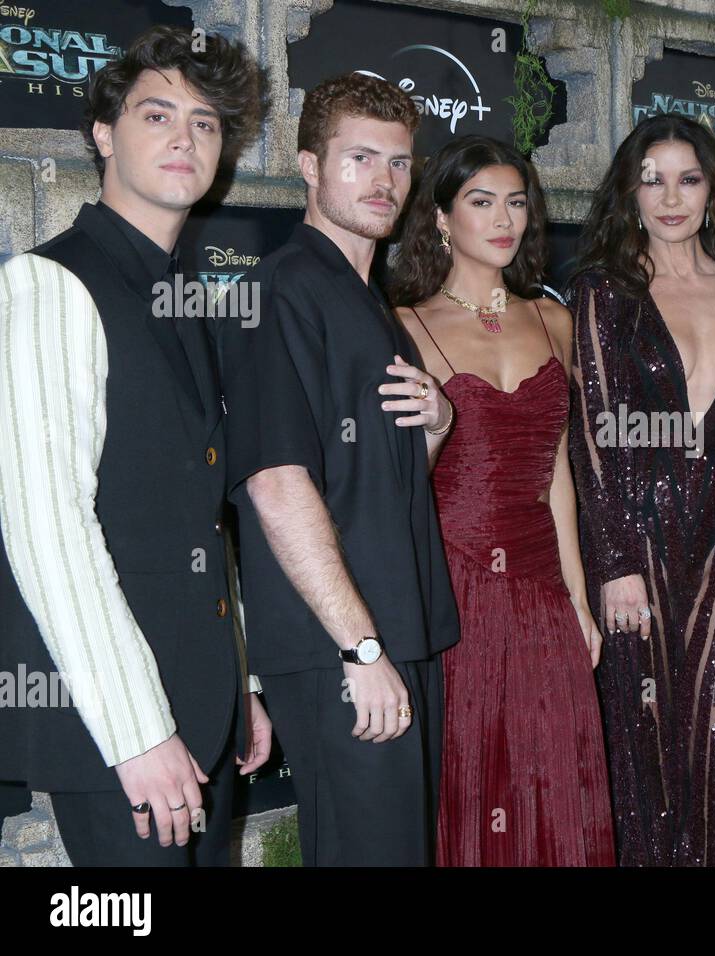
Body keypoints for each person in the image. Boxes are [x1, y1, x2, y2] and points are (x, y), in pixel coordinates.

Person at [0, 26, 271, 865]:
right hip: (120, 731)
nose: (184, 137)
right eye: (157, 115)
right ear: (104, 135)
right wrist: (136, 732)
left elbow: (196, 519)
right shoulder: (48, 283)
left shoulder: (182, 296)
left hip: (200, 705)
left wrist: (239, 686)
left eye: (205, 122)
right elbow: (47, 528)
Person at [220, 73, 458, 866]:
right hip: (346, 652)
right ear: (308, 166)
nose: (384, 181)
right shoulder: (282, 289)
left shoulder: (371, 304)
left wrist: (438, 423)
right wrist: (360, 652)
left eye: (397, 163)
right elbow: (274, 484)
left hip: (397, 633)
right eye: (359, 158)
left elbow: (379, 487)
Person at [387, 135, 615, 866]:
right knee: (473, 781)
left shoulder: (555, 321)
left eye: (516, 202)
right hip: (454, 590)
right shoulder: (406, 325)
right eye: (481, 201)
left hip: (543, 589)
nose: (503, 218)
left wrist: (579, 598)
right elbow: (391, 484)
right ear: (443, 218)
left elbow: (558, 473)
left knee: (556, 781)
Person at [568, 114, 715, 866]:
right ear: (630, 193)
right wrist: (614, 561)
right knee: (649, 738)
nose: (670, 197)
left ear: (712, 191)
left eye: (687, 179)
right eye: (652, 179)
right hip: (642, 529)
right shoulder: (605, 290)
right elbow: (595, 433)